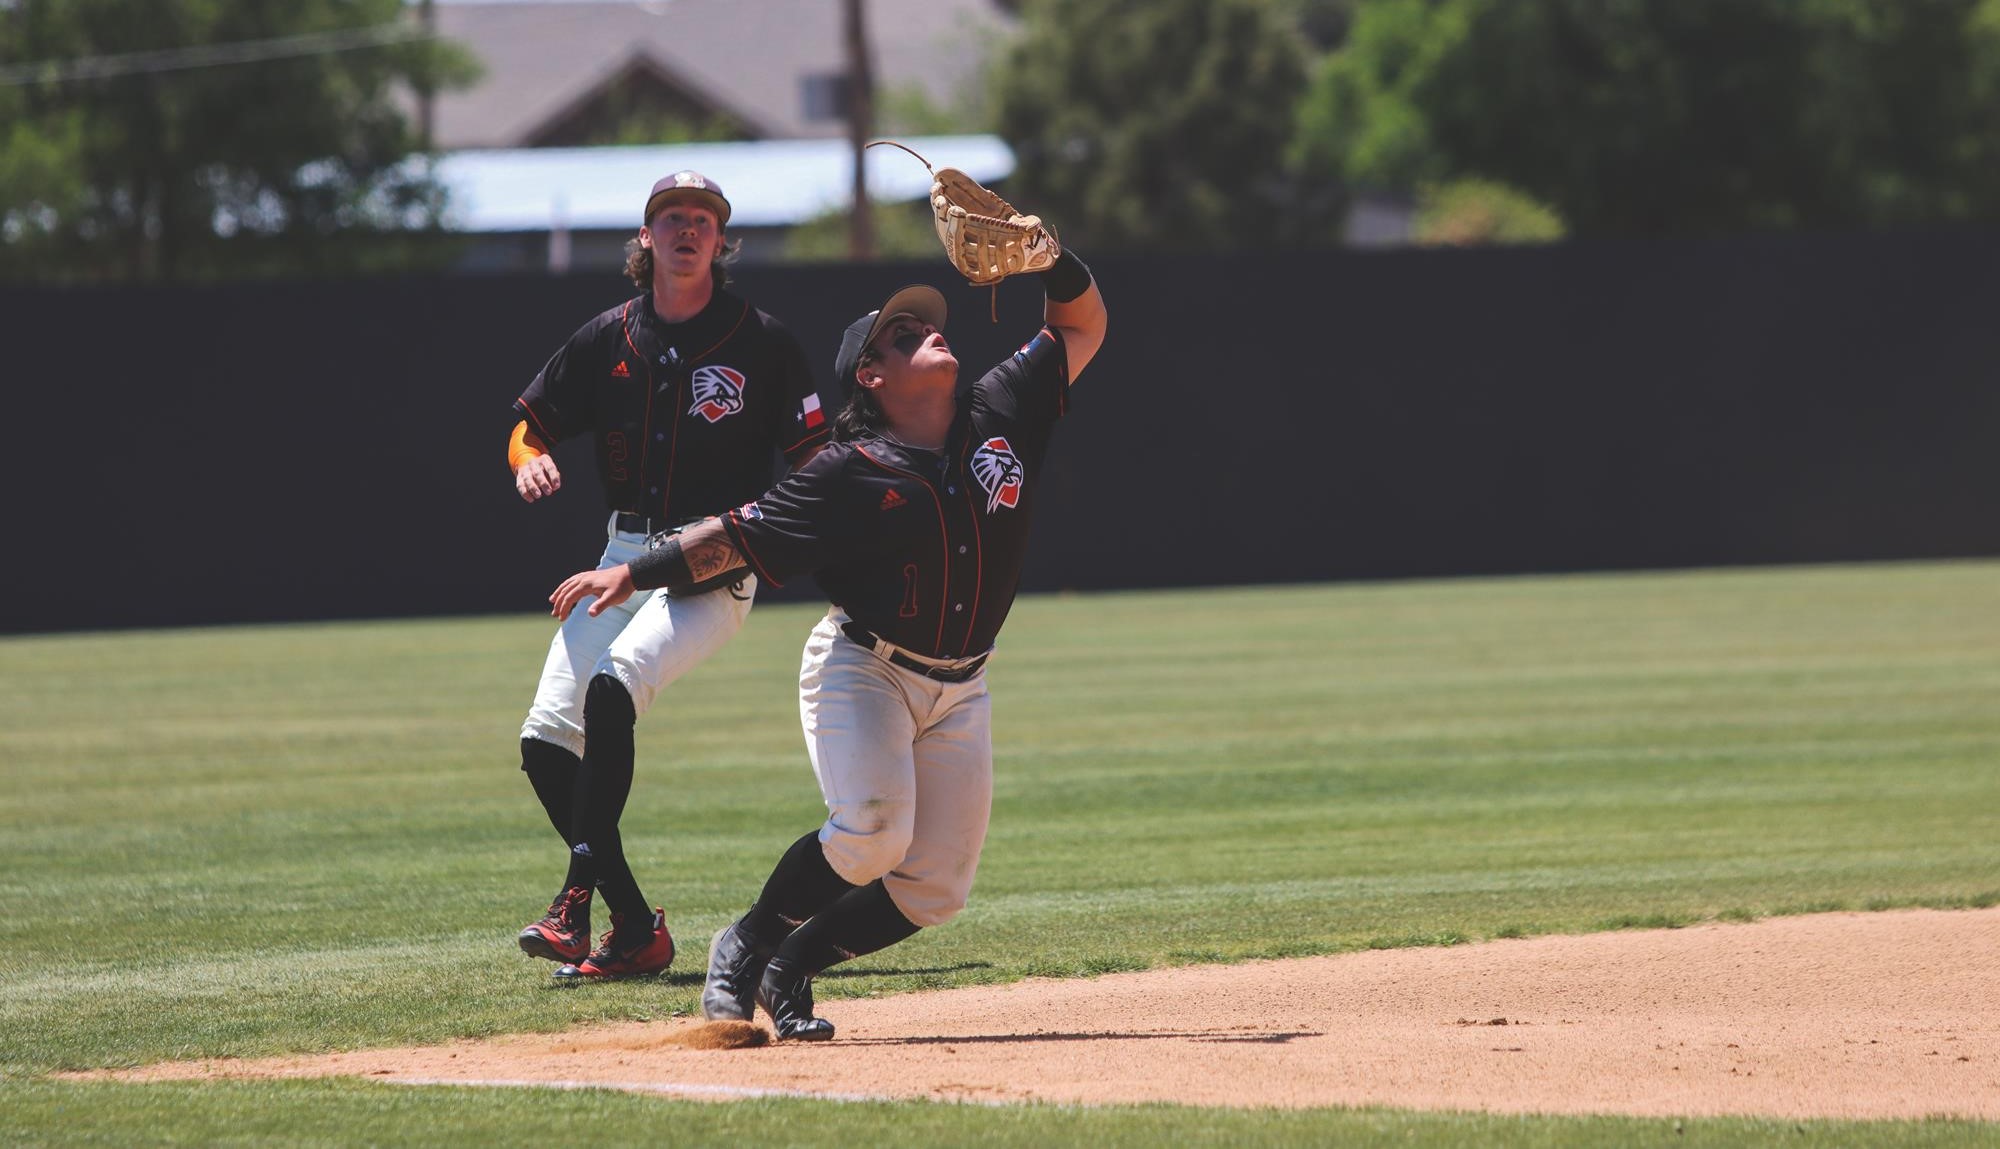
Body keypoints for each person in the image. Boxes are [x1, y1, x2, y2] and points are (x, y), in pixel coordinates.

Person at [549, 244, 1107, 1038]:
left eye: (925, 325)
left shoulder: (1004, 406)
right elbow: (737, 536)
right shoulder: (846, 472)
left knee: (936, 888)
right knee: (874, 828)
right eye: (902, 334)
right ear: (872, 377)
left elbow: (1084, 321)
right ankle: (745, 944)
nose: (927, 332)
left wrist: (1051, 257)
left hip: (962, 684)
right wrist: (632, 575)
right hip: (864, 668)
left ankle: (792, 962)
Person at [509, 171, 830, 981]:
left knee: (612, 689)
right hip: (620, 555)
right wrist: (529, 457)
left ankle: (574, 898)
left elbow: (816, 467)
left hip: (713, 565)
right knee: (546, 742)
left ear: (722, 243)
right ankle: (632, 927)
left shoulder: (765, 342)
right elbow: (528, 425)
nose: (689, 230)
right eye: (672, 218)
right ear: (645, 239)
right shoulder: (607, 336)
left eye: (704, 220)